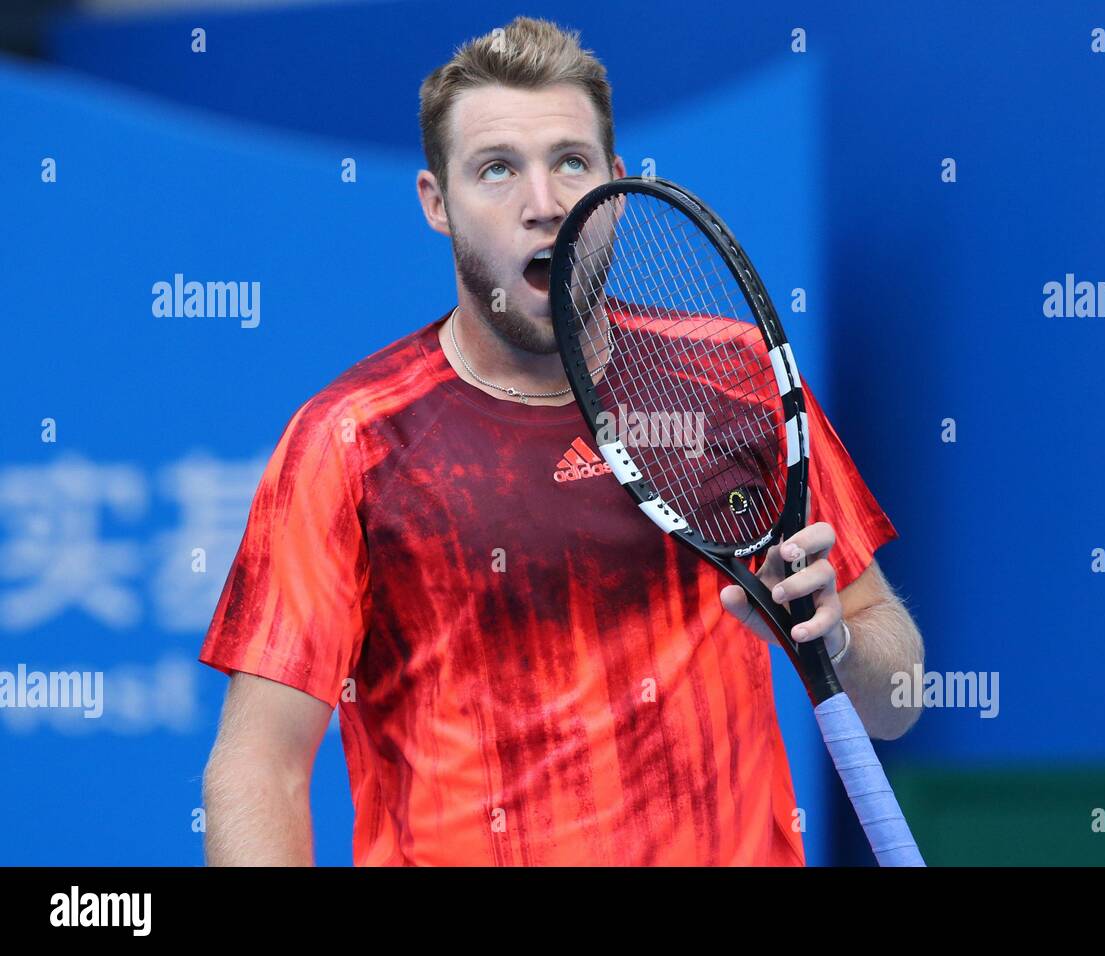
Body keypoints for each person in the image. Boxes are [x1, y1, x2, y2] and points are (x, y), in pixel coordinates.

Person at [198, 15, 924, 867]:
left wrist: (833, 637)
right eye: (497, 170)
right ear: (437, 203)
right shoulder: (351, 439)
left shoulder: (736, 378)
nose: (543, 205)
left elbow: (897, 698)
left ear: (616, 182)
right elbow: (259, 768)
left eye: (570, 163)